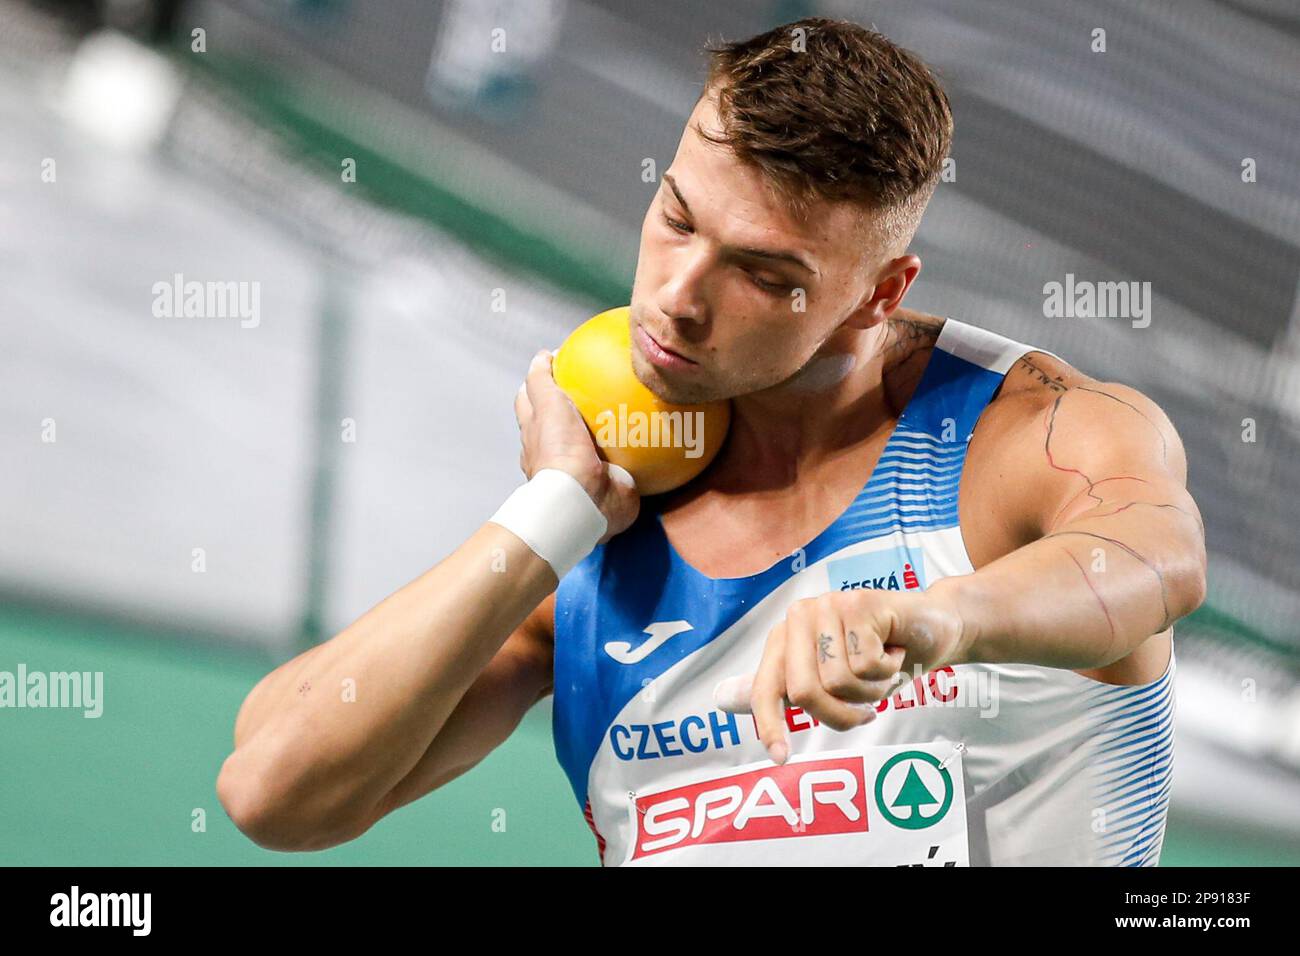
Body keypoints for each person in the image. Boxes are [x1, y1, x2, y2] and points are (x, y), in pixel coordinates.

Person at [217, 17, 1206, 865]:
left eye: (761, 273)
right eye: (677, 218)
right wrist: (551, 509)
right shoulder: (610, 524)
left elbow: (1157, 559)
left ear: (878, 292)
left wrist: (939, 619)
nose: (677, 298)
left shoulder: (1027, 435)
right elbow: (275, 792)